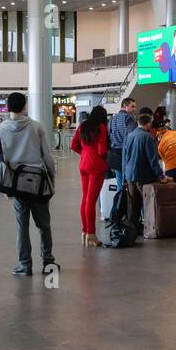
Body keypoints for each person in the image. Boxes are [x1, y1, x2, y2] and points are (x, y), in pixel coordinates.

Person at [0, 92, 57, 276]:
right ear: (24, 106)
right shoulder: (36, 127)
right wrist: (51, 179)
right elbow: (47, 155)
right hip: (38, 183)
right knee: (44, 224)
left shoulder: (0, 129)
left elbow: (0, 159)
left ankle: (25, 265)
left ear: (8, 106)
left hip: (16, 184)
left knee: (22, 226)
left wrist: (5, 186)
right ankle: (48, 261)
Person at [70, 106, 109, 247]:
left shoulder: (83, 125)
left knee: (85, 198)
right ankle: (91, 235)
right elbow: (102, 150)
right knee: (91, 201)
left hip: (83, 164)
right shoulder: (101, 127)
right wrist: (99, 156)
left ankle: (85, 232)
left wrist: (85, 153)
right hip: (96, 166)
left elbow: (73, 145)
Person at [121, 111, 163, 226]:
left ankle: (132, 228)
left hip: (130, 175)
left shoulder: (129, 136)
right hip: (142, 175)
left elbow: (125, 158)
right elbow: (153, 160)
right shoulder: (148, 137)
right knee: (148, 202)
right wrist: (161, 176)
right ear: (148, 124)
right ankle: (150, 226)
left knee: (133, 203)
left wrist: (124, 177)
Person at [108, 97, 137, 185]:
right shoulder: (129, 118)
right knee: (129, 181)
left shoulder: (112, 119)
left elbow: (109, 134)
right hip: (126, 153)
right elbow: (132, 136)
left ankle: (120, 197)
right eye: (132, 107)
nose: (134, 109)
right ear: (125, 106)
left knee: (119, 179)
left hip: (114, 152)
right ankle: (127, 198)